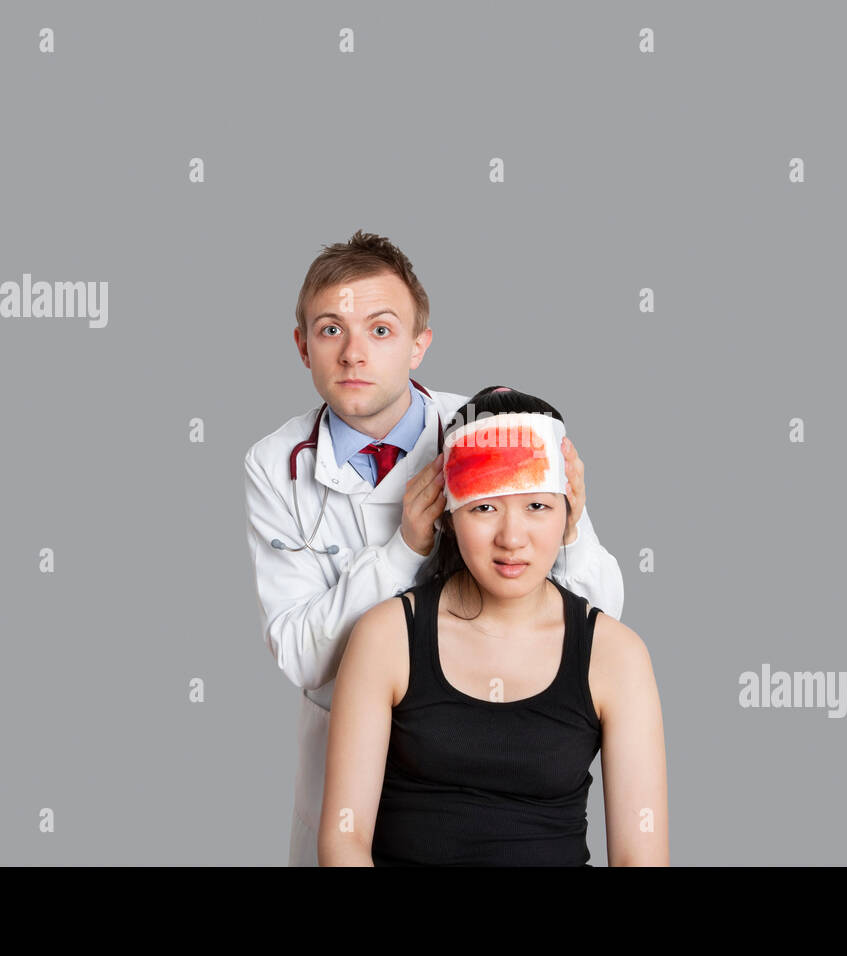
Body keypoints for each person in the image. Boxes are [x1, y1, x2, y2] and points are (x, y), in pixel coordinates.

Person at [243, 231, 625, 866]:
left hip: (484, 742)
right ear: (302, 346)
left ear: (420, 343)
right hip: (355, 769)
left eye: (382, 330)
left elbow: (597, 628)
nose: (354, 353)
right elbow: (303, 656)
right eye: (331, 330)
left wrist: (575, 528)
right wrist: (402, 552)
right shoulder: (272, 465)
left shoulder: (491, 430)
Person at [317, 387, 668, 865]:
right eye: (485, 506)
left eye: (537, 506)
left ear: (570, 511)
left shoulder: (618, 655)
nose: (512, 537)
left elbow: (640, 857)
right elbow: (344, 841)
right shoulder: (386, 638)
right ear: (448, 513)